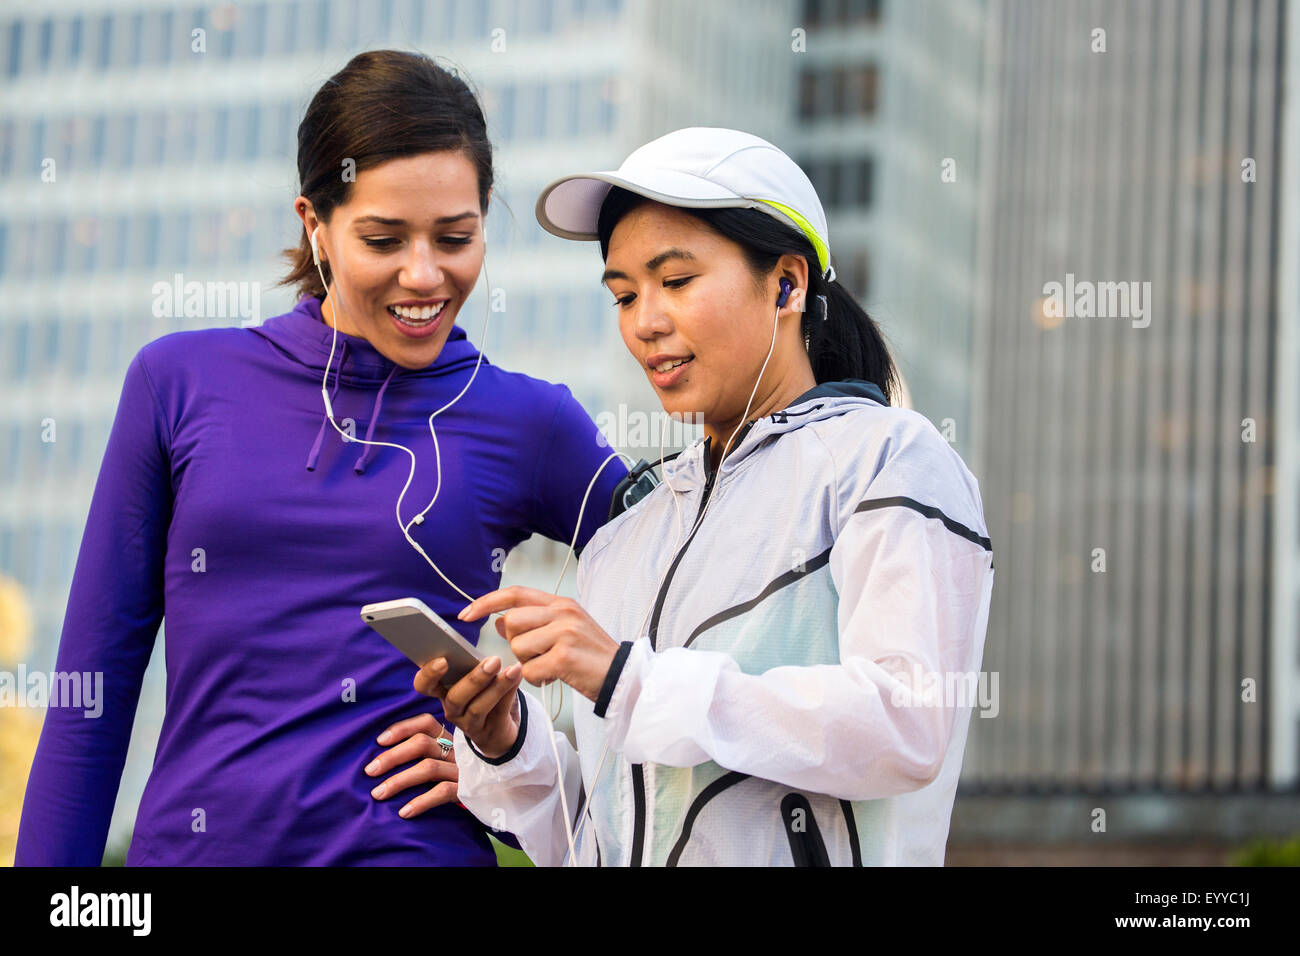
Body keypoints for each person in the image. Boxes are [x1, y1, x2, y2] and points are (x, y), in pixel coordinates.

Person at [15, 50, 626, 866]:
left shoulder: (530, 419)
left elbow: (683, 613)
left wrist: (503, 759)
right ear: (315, 224)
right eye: (384, 238)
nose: (425, 274)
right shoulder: (177, 383)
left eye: (456, 237)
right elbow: (91, 693)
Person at [416, 127, 996, 866]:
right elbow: (602, 835)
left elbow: (906, 726)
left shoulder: (889, 458)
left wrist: (628, 677)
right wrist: (505, 747)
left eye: (677, 281)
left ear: (787, 284)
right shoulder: (630, 530)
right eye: (624, 295)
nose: (645, 321)